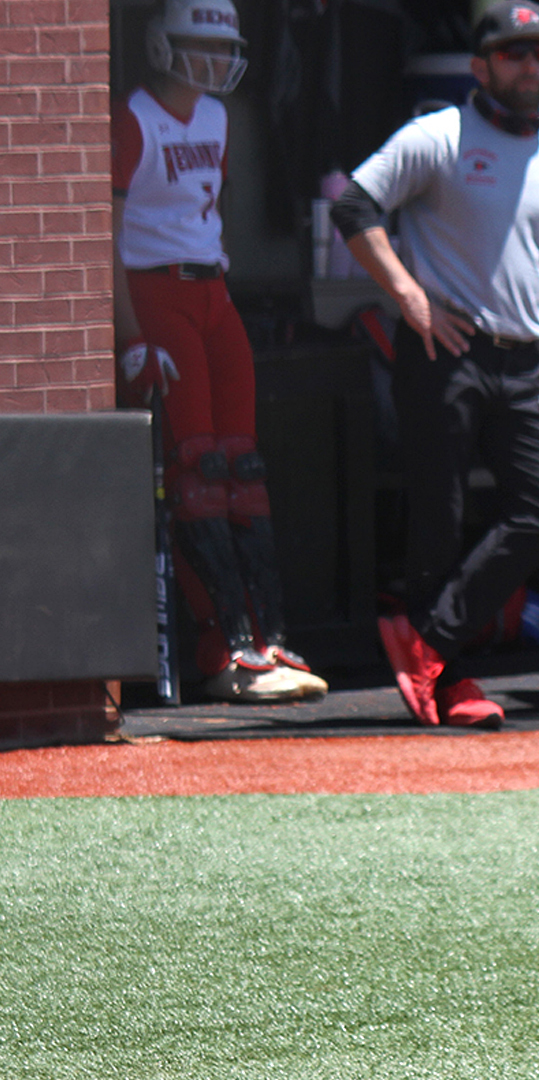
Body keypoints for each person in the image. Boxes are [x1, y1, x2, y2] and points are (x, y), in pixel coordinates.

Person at [332, 0, 539, 727]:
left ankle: (429, 638)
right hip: (444, 348)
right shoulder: (437, 136)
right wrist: (410, 296)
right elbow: (354, 207)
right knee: (436, 519)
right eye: (514, 53)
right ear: (480, 67)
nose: (531, 65)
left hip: (529, 358)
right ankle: (452, 682)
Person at [112, 0, 328, 703]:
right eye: (198, 46)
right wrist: (132, 336)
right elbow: (104, 236)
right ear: (163, 46)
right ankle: (224, 651)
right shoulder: (135, 117)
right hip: (157, 291)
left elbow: (208, 210)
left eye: (222, 46)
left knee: (243, 464)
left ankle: (267, 636)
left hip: (214, 290)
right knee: (198, 469)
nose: (213, 60)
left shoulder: (217, 119)